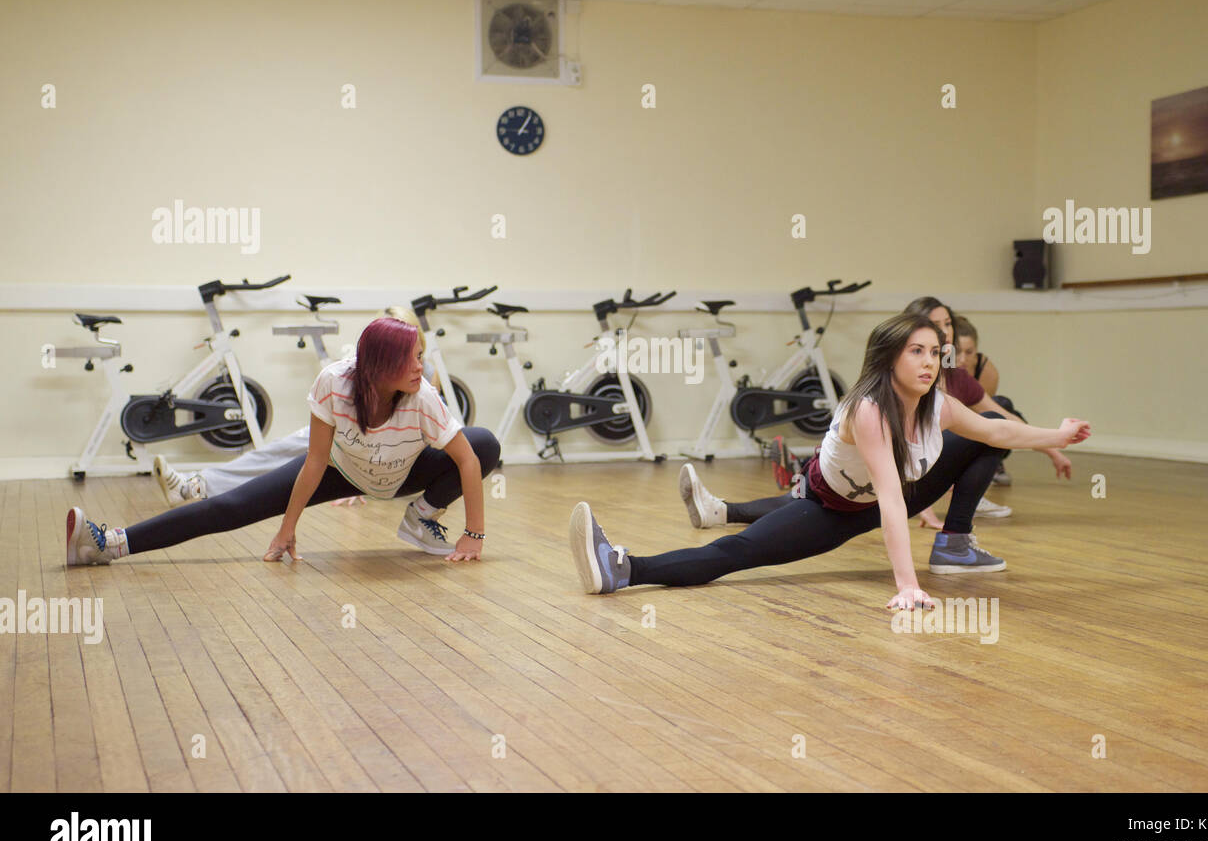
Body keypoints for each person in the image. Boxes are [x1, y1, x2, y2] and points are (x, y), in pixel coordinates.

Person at [568, 314, 1090, 607]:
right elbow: (888, 499)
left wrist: (1057, 437)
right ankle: (623, 568)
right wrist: (907, 584)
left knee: (986, 439)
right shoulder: (869, 410)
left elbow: (996, 426)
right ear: (888, 358)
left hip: (900, 491)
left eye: (935, 352)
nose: (930, 361)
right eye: (916, 351)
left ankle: (955, 542)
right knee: (740, 554)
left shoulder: (941, 407)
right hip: (828, 507)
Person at [67, 317, 498, 566]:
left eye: (421, 356)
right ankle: (110, 543)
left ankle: (420, 518)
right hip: (340, 469)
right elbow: (313, 461)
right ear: (381, 363)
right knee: (230, 506)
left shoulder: (423, 397)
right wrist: (287, 527)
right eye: (412, 358)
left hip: (405, 473)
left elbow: (468, 462)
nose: (421, 366)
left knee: (483, 443)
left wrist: (473, 534)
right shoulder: (334, 383)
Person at [151, 306, 444, 505]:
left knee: (301, 448)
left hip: (389, 456)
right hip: (357, 439)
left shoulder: (427, 375)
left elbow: (424, 437)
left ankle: (195, 486)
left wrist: (365, 479)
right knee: (288, 445)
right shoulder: (370, 370)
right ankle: (196, 485)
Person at [902, 297, 1072, 527]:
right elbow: (907, 442)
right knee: (988, 427)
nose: (945, 331)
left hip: (938, 463)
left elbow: (1004, 418)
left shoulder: (956, 376)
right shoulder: (909, 374)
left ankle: (958, 528)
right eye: (936, 324)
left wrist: (1053, 451)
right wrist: (924, 508)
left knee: (998, 415)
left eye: (948, 323)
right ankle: (951, 520)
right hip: (905, 478)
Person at [954, 313, 1015, 485]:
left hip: (976, 424)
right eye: (957, 352)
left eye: (969, 352)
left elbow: (983, 412)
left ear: (976, 351)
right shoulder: (942, 368)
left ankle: (992, 464)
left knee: (1004, 406)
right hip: (950, 429)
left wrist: (1050, 446)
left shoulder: (987, 371)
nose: (962, 359)